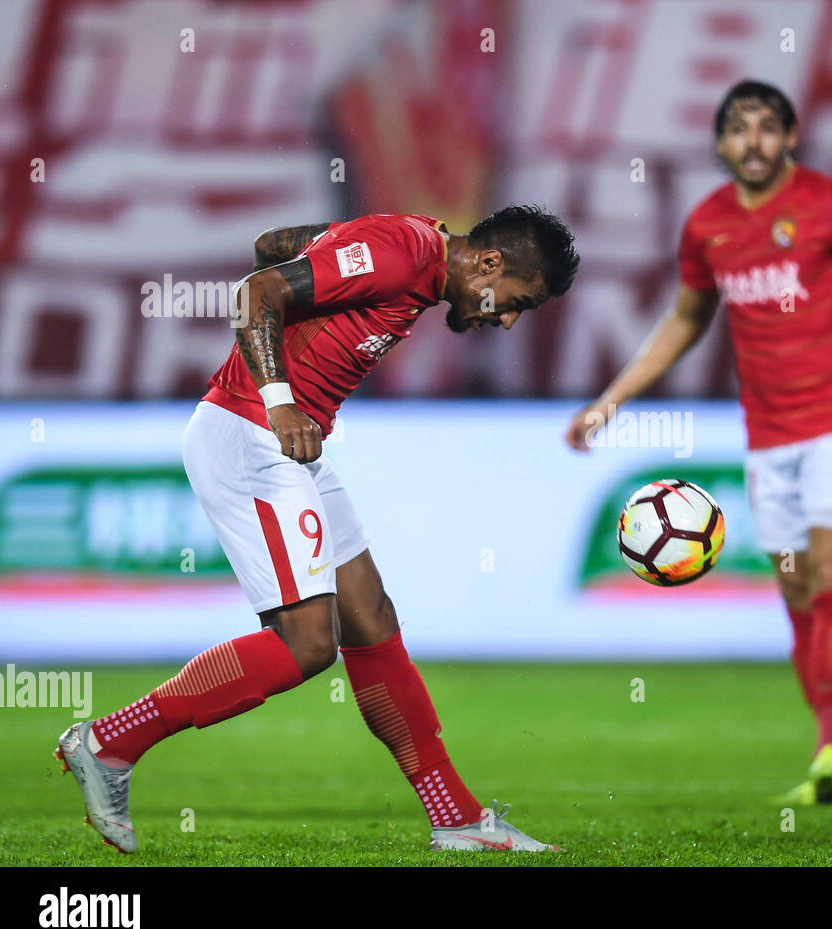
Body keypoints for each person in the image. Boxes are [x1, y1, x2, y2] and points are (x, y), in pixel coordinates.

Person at [56, 206, 580, 852]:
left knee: (370, 617)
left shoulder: (414, 249)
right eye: (515, 302)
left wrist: (321, 282)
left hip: (290, 442)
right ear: (491, 263)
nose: (503, 318)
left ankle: (457, 816)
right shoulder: (404, 253)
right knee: (307, 644)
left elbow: (270, 244)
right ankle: (109, 741)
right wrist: (277, 400)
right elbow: (258, 289)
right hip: (253, 435)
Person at [566, 80, 832, 804]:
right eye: (738, 129)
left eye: (767, 127)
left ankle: (829, 749)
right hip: (766, 435)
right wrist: (611, 400)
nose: (753, 142)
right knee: (797, 587)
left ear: (792, 137)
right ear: (718, 143)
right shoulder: (707, 225)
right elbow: (685, 319)